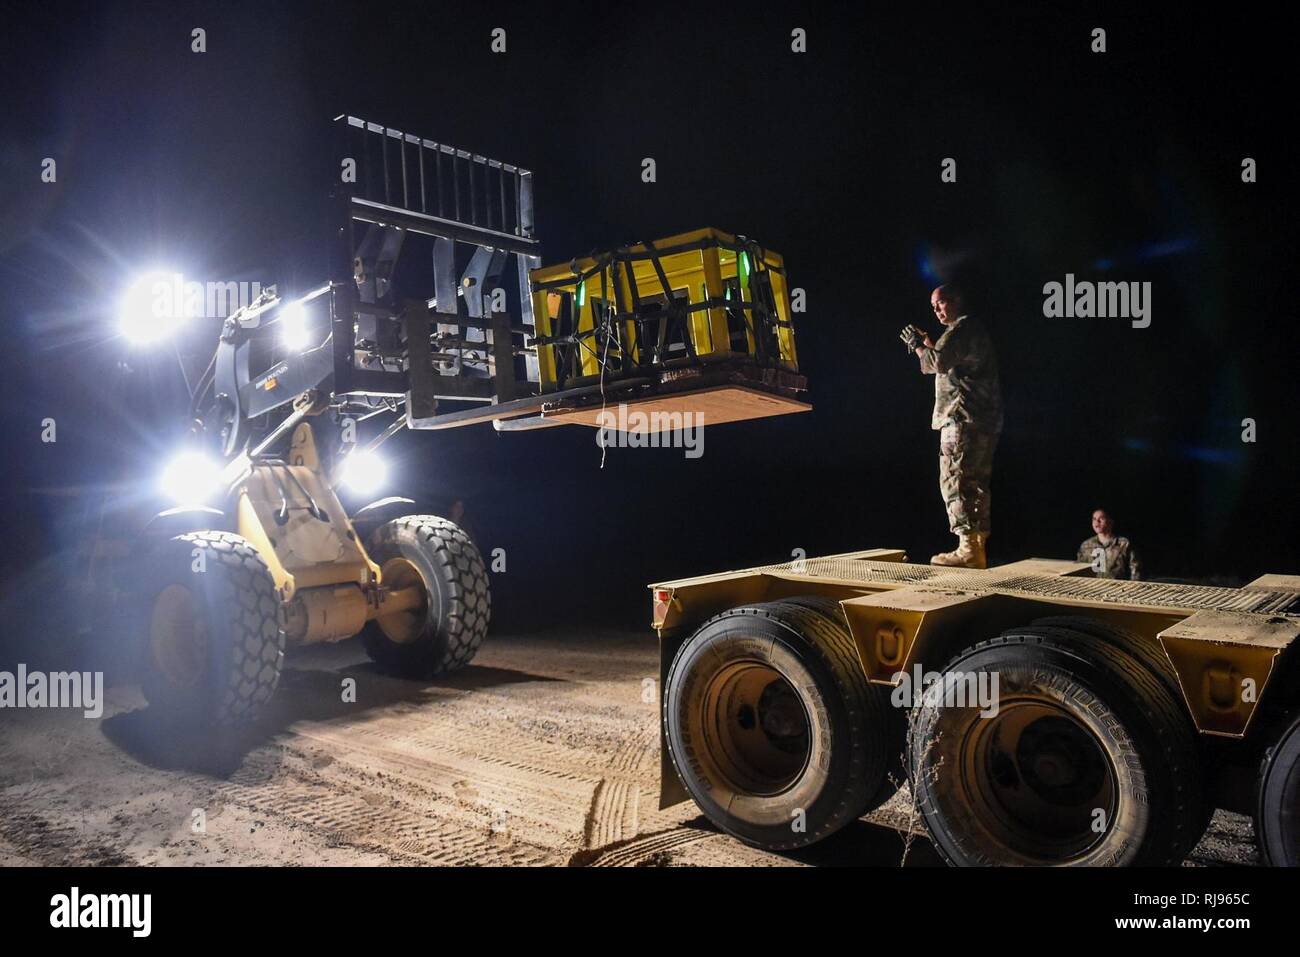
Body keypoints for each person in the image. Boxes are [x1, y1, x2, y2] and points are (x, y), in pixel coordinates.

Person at [900, 283, 1003, 568]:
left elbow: (937, 363)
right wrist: (929, 345)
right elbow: (946, 360)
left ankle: (967, 548)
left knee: (955, 478)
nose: (936, 310)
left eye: (941, 303)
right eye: (933, 306)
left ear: (957, 300)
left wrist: (918, 345)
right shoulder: (972, 330)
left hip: (961, 418)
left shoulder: (962, 328)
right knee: (975, 482)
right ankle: (975, 548)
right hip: (981, 420)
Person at [1076, 508, 1142, 580]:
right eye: (1094, 519)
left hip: (1117, 586)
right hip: (1092, 586)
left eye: (1101, 518)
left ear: (1110, 521)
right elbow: (1079, 570)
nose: (1097, 522)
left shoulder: (1123, 544)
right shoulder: (1086, 545)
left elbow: (1135, 570)